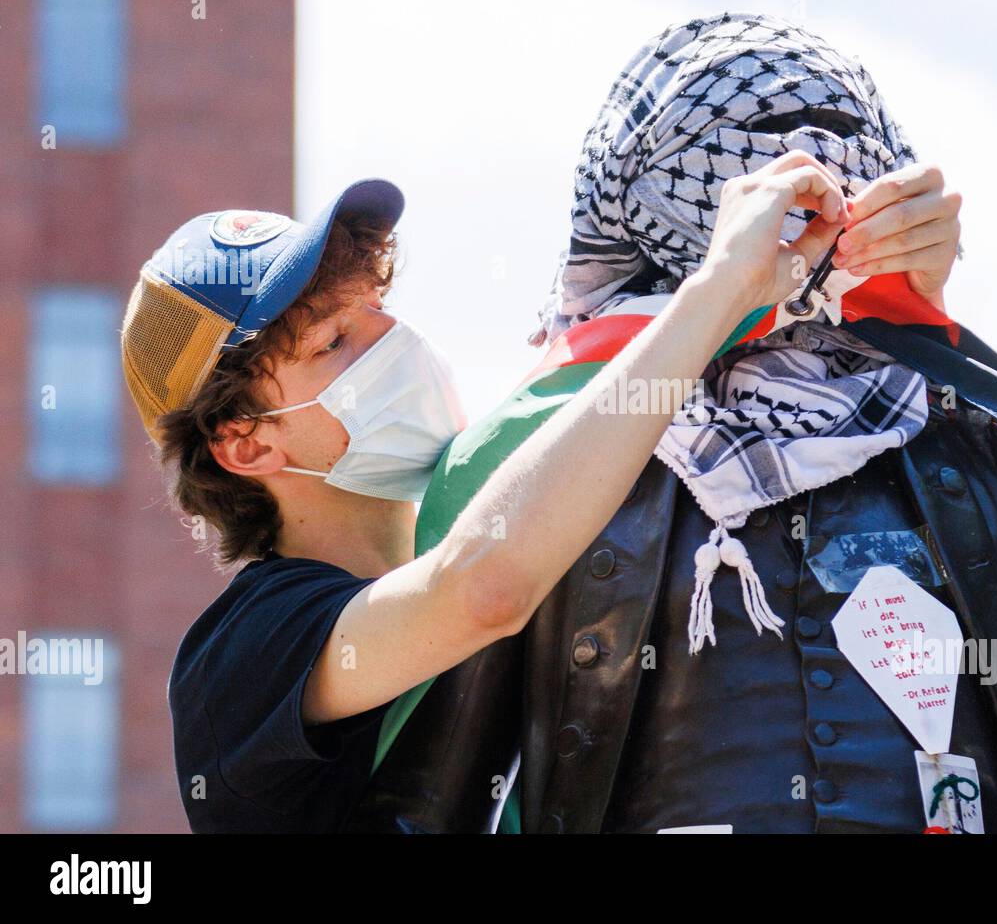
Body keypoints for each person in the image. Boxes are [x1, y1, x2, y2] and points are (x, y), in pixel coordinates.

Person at [359, 13, 997, 834]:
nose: (813, 174)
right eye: (763, 149)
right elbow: (428, 801)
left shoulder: (961, 423)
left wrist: (930, 325)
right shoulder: (545, 457)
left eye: (839, 140)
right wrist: (722, 294)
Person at [123, 153, 882, 831]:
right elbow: (479, 590)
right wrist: (717, 288)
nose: (393, 341)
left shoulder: (521, 537)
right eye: (334, 342)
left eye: (376, 307)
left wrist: (878, 273)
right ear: (248, 442)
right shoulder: (240, 658)